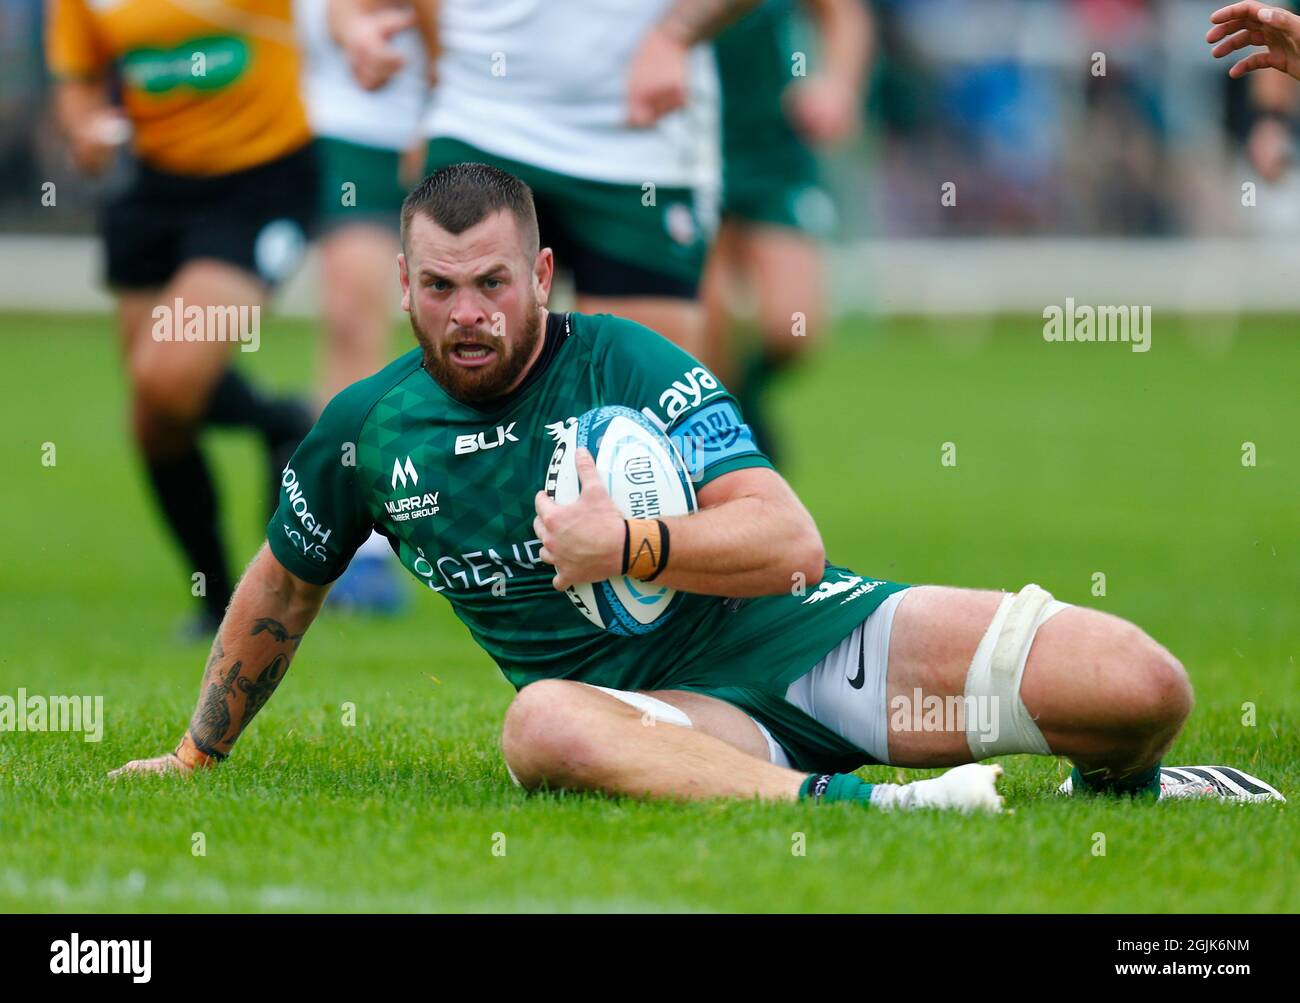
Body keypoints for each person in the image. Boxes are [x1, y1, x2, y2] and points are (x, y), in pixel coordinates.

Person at [111, 164, 1285, 810]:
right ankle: (851, 809)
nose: (469, 313)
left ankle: (1127, 789)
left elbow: (791, 543)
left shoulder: (629, 359)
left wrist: (625, 544)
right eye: (439, 286)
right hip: (666, 724)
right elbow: (283, 582)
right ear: (404, 287)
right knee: (540, 723)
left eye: (494, 283)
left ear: (543, 273)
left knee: (1139, 683)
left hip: (805, 639)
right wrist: (200, 753)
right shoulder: (366, 431)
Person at [47, 0, 318, 633]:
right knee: (155, 419)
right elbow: (79, 76)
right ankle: (217, 598)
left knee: (165, 378)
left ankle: (285, 427)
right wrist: (85, 129)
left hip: (258, 180)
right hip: (153, 189)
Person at [330, 0, 760, 359]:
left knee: (639, 409)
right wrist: (354, 27)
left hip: (639, 143)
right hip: (478, 122)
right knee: (471, 404)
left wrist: (677, 33)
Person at [293, 0, 430, 611]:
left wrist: (444, 83)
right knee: (353, 315)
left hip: (467, 115)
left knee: (483, 323)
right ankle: (358, 543)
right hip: (350, 119)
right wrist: (350, 29)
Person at [703, 0, 872, 460]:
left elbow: (843, 14)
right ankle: (730, 453)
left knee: (792, 329)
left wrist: (837, 85)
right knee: (706, 331)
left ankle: (743, 407)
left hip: (774, 144)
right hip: (687, 144)